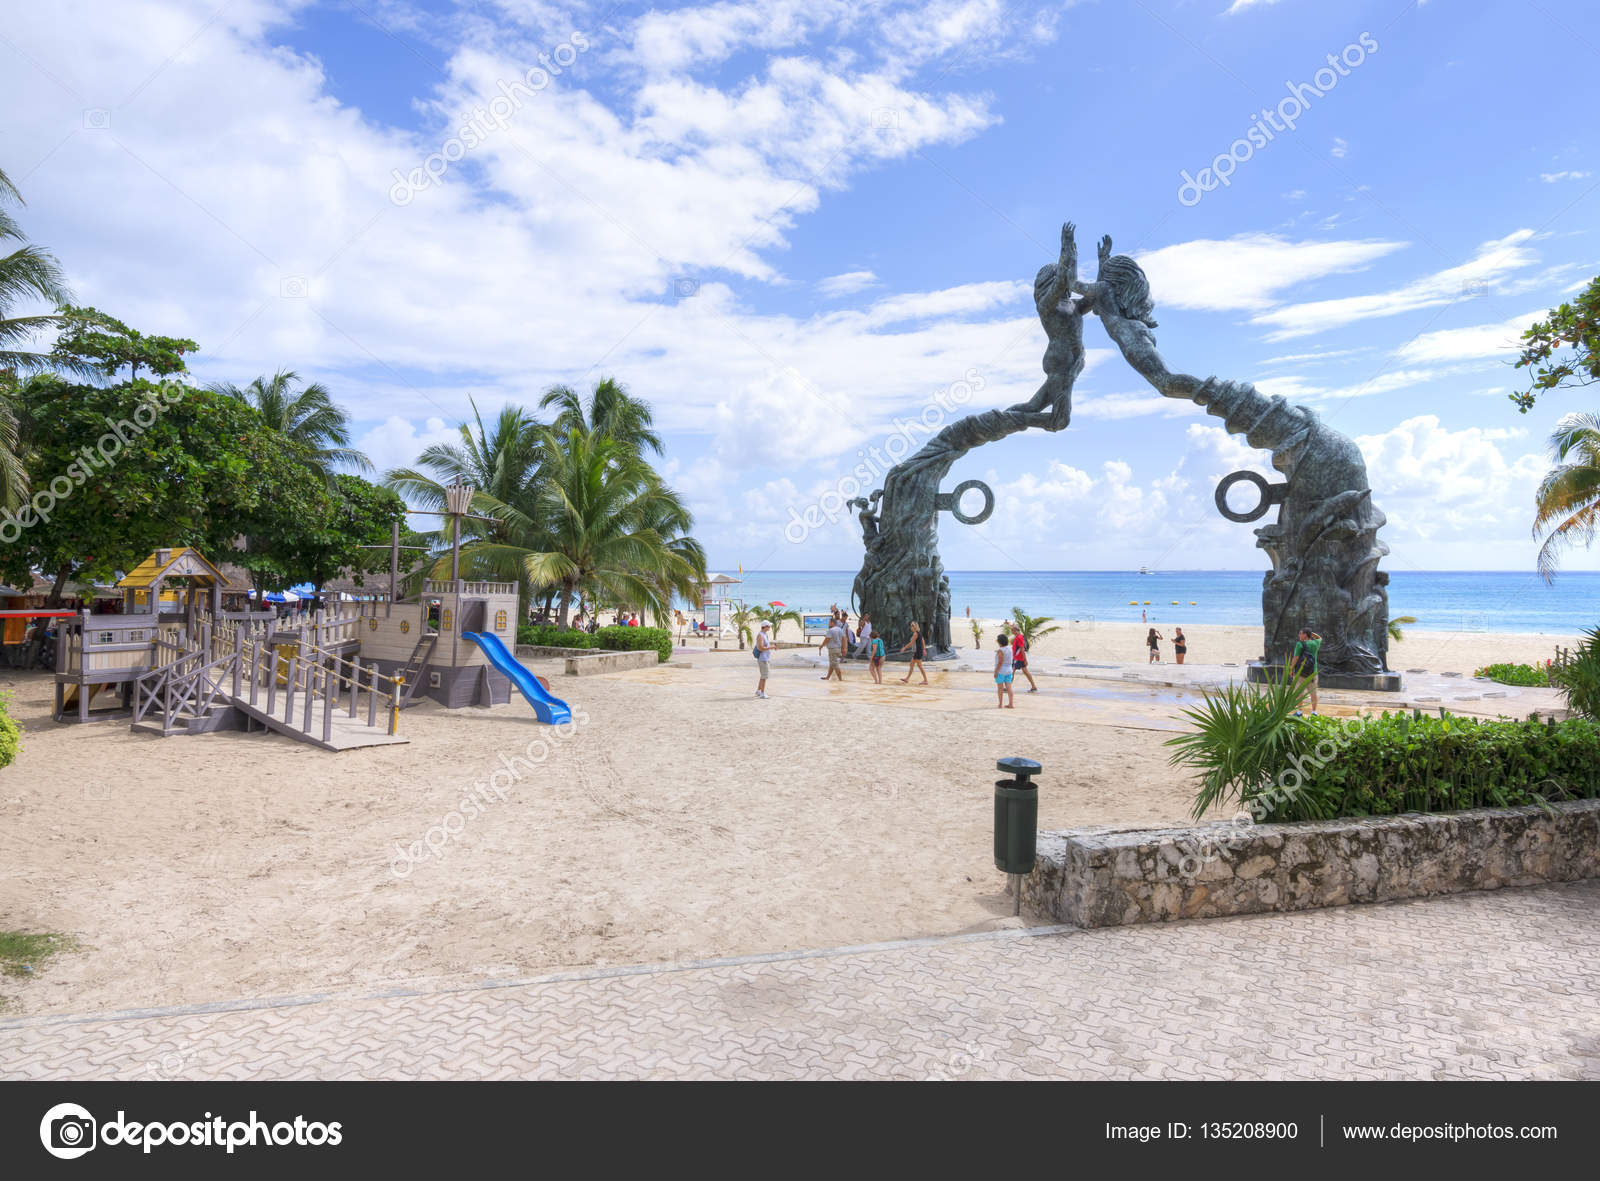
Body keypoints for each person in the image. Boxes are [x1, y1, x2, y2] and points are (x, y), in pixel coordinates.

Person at [1290, 628, 1322, 714]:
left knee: (1299, 692)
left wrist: (1291, 668)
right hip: (1312, 672)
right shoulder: (1316, 643)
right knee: (1313, 693)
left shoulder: (1300, 644)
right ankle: (1314, 712)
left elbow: (1296, 658)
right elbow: (1320, 638)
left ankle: (1299, 712)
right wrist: (1311, 633)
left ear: (1305, 635)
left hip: (1300, 673)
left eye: (1300, 633)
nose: (1299, 635)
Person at [820, 615, 846, 681]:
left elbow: (827, 639)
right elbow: (844, 639)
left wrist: (821, 646)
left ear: (832, 623)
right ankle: (827, 677)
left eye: (829, 622)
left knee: (834, 664)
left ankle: (840, 679)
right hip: (838, 649)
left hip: (832, 649)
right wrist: (844, 648)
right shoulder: (840, 629)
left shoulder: (830, 630)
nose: (828, 623)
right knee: (832, 664)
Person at [1011, 627, 1037, 693]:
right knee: (1025, 672)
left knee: (1011, 672)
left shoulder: (1019, 637)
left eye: (1012, 630)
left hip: (1018, 658)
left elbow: (1022, 648)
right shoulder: (1018, 637)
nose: (1011, 631)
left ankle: (1008, 687)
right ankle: (1033, 686)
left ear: (1016, 631)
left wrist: (1025, 660)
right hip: (1018, 658)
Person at [994, 632, 1015, 709]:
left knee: (1000, 688)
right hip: (1009, 670)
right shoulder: (1010, 649)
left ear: (1000, 642)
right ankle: (1011, 704)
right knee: (1009, 687)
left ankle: (1000, 704)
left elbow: (1000, 662)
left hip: (1001, 671)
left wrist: (996, 672)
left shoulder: (1000, 650)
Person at [754, 621, 773, 698]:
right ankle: (762, 693)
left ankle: (758, 691)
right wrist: (771, 647)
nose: (770, 627)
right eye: (769, 626)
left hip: (765, 658)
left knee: (763, 675)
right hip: (763, 659)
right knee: (764, 676)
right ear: (765, 626)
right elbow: (760, 648)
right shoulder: (760, 636)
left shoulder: (765, 635)